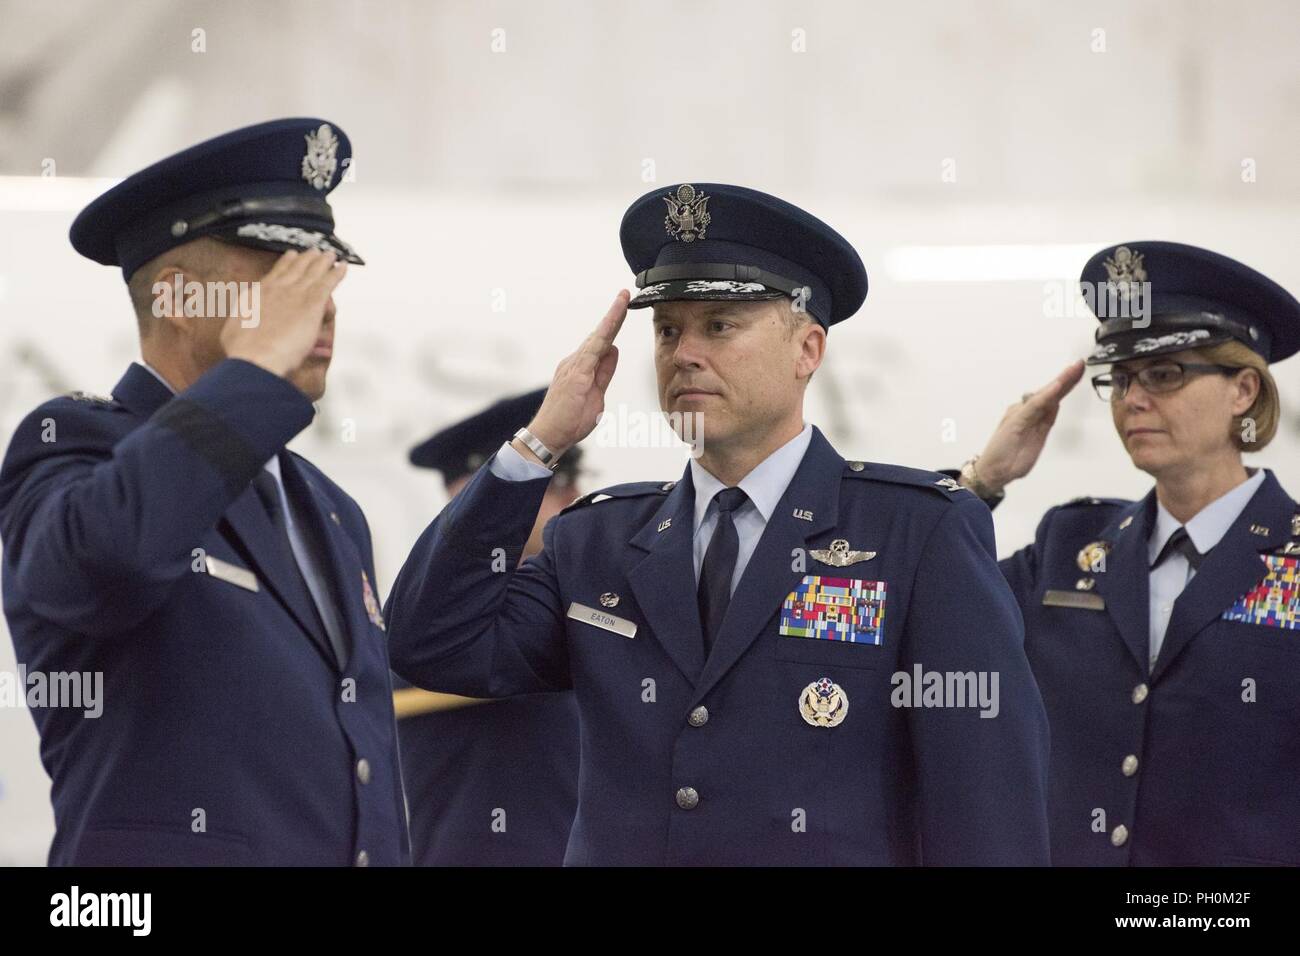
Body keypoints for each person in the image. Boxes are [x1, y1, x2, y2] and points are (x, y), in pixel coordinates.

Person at [385, 183, 1050, 865]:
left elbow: (988, 803)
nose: (685, 353)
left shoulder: (916, 532)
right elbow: (433, 644)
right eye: (667, 330)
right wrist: (538, 445)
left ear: (807, 350)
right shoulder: (596, 541)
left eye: (720, 325)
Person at [0, 119, 408, 866]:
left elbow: (365, 763)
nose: (323, 305)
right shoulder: (76, 444)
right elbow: (104, 563)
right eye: (283, 277)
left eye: (326, 276)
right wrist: (252, 373)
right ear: (180, 299)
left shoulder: (329, 508)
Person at [956, 241, 1300, 865]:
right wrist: (982, 481)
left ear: (1243, 390)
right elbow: (918, 609)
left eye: (1163, 375)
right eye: (1119, 380)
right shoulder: (1070, 546)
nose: (1132, 399)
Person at [395, 388, 581, 865]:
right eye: (557, 478)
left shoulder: (579, 605)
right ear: (471, 492)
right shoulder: (429, 622)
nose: (575, 494)